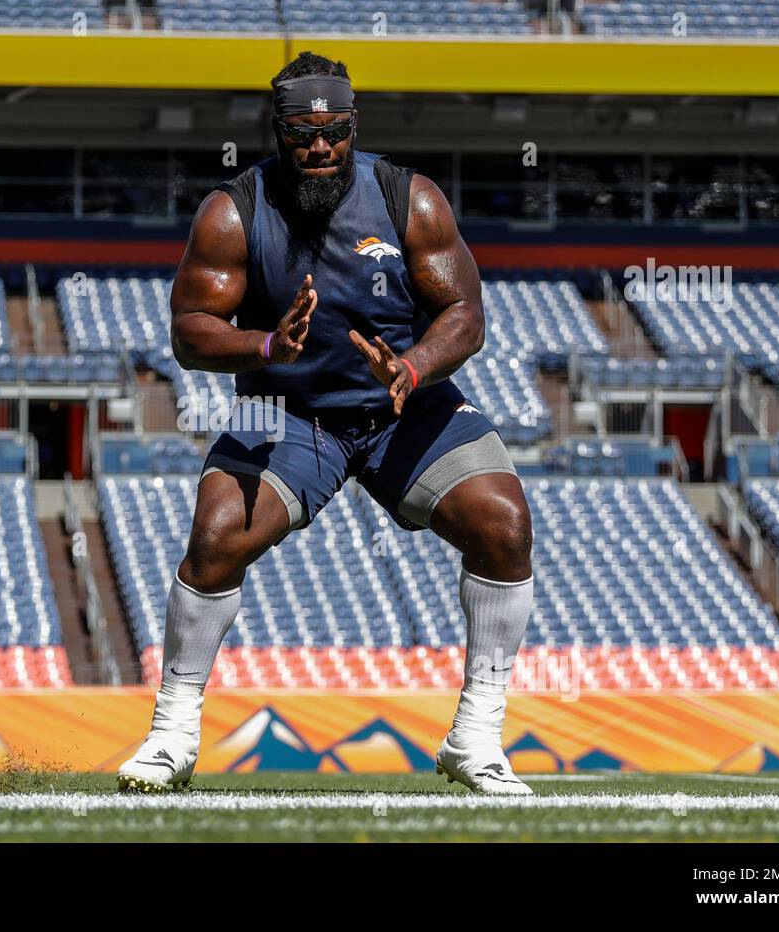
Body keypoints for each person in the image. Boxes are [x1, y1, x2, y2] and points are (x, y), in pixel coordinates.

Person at [118, 52, 535, 795]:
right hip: (287, 409)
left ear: (352, 128)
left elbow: (465, 315)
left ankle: (477, 737)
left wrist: (411, 367)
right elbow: (190, 332)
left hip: (404, 402)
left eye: (335, 133)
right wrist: (267, 345)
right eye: (303, 134)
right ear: (278, 131)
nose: (320, 149)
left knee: (502, 522)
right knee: (216, 538)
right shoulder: (233, 209)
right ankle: (171, 736)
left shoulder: (411, 198)